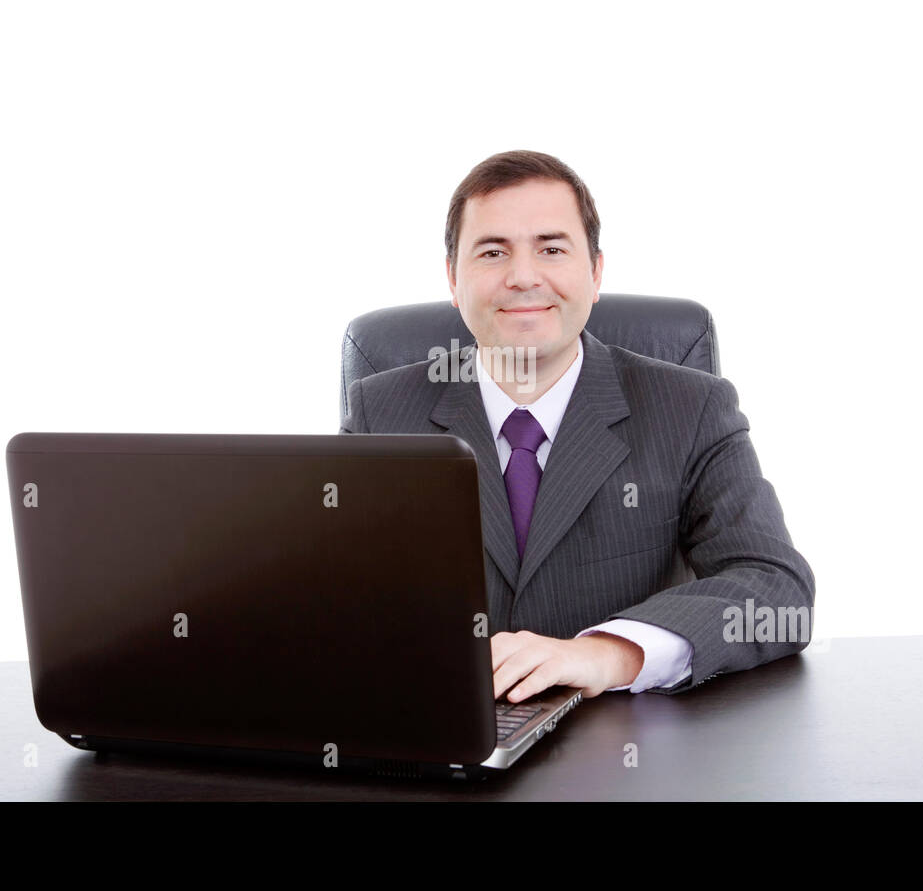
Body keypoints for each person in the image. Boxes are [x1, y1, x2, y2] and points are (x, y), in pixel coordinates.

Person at [340, 149, 814, 703]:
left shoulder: (691, 408)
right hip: (445, 742)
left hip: (629, 752)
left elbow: (776, 590)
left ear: (595, 272)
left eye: (552, 248)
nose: (522, 277)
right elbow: (336, 595)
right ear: (453, 278)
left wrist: (606, 653)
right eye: (493, 252)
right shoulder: (380, 412)